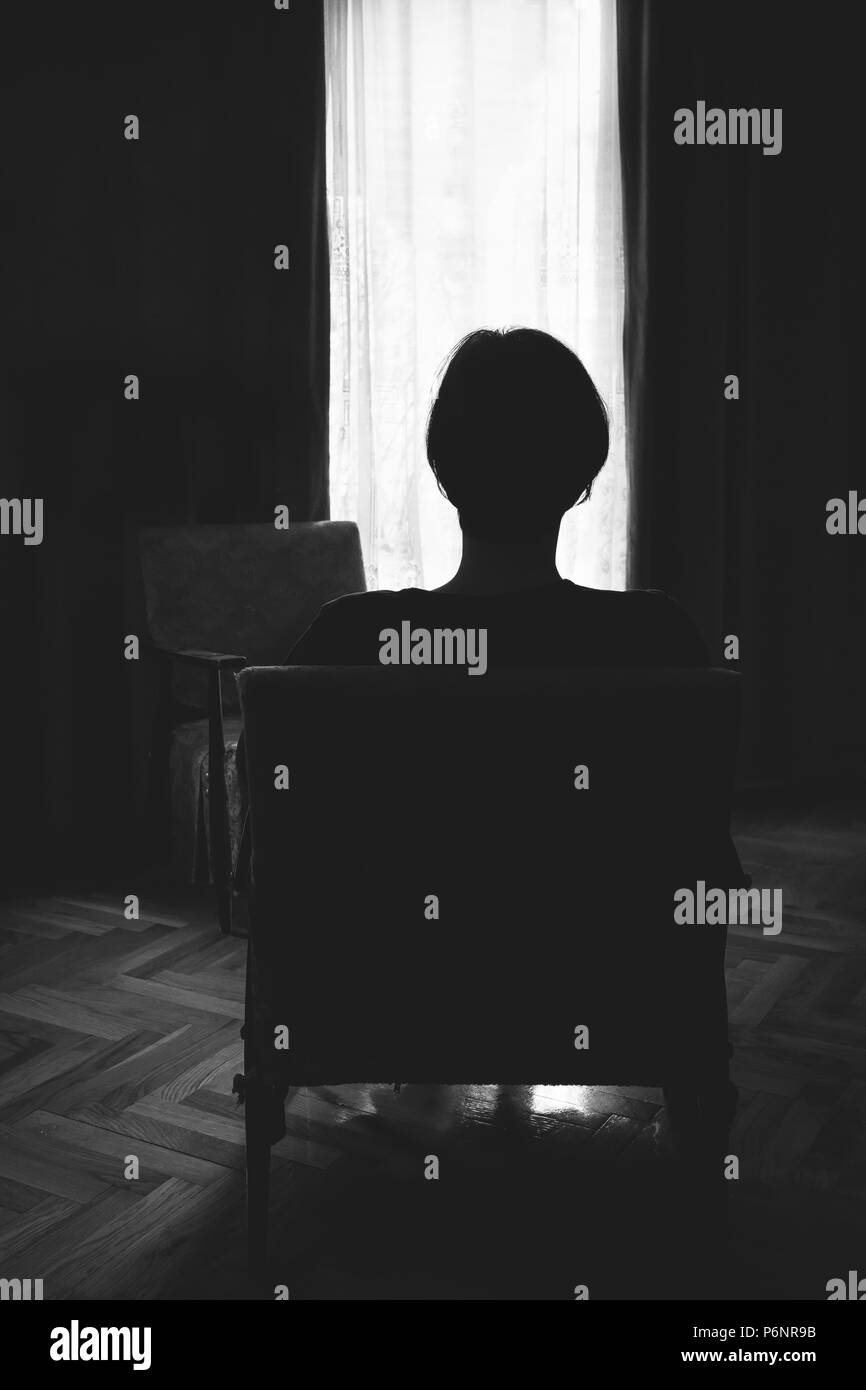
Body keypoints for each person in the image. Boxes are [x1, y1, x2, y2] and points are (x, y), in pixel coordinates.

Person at [287, 326, 708, 667]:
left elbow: (265, 744)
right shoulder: (655, 635)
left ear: (444, 470)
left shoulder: (350, 635)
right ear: (582, 476)